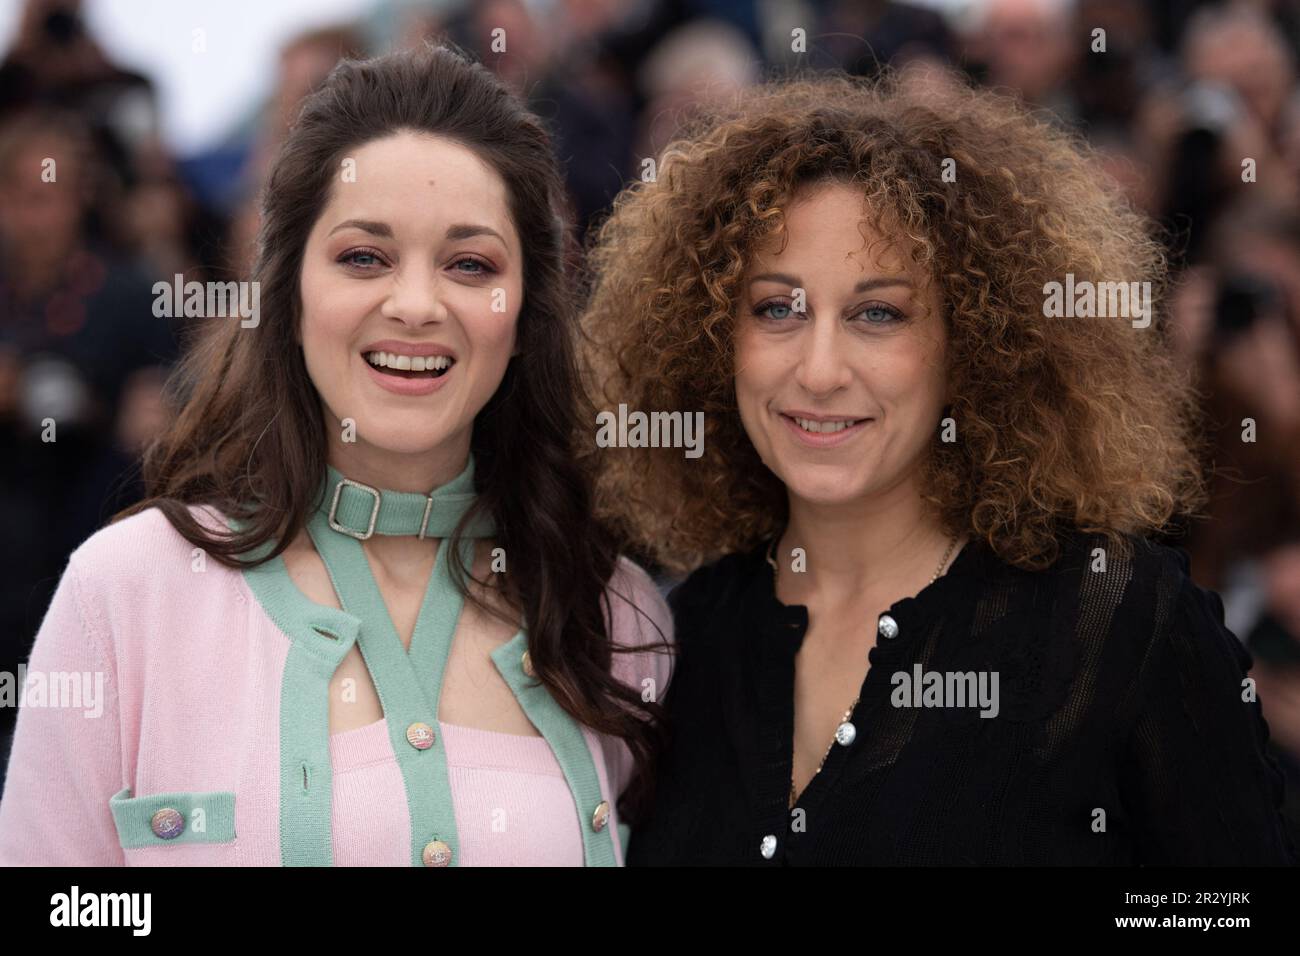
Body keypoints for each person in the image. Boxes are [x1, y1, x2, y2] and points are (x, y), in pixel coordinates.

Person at [580, 69, 1296, 864]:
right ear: (712, 335)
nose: (819, 370)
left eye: (877, 313)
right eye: (776, 308)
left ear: (977, 343)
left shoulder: (1117, 624)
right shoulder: (680, 642)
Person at [0, 42, 672, 867]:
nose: (417, 304)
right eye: (364, 257)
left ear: (526, 309)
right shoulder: (127, 591)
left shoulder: (616, 613)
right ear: (289, 292)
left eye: (470, 264)